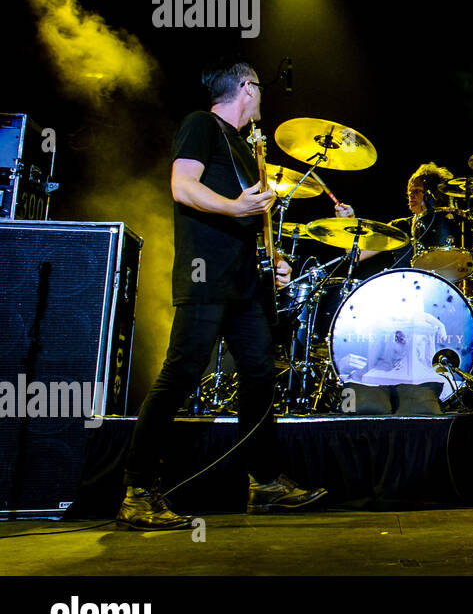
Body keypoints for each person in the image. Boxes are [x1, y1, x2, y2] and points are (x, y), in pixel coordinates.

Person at [117, 58, 342, 530]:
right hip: (207, 276)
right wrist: (236, 205)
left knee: (261, 373)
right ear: (245, 88)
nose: (263, 97)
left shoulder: (243, 146)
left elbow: (250, 217)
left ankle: (265, 482)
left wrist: (273, 257)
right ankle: (137, 491)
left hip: (246, 283)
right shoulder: (202, 125)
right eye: (258, 88)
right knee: (181, 373)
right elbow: (183, 187)